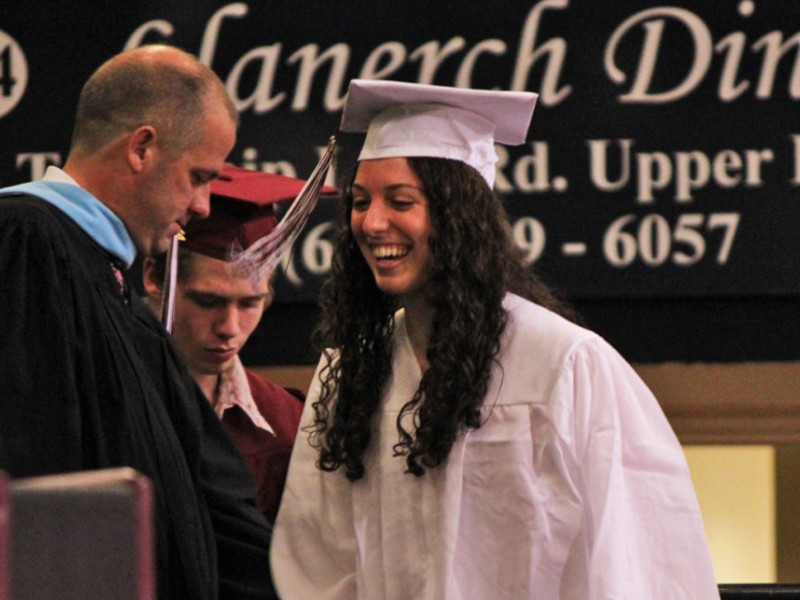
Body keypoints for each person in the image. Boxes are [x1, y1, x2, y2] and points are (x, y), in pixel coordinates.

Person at [270, 79, 720, 599]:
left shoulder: (564, 365)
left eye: (400, 200)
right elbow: (315, 562)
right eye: (360, 201)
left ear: (458, 216)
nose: (372, 223)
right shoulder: (348, 376)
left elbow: (632, 560)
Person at [0, 45, 277, 599]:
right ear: (142, 148)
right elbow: (37, 483)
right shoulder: (28, 244)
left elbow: (211, 497)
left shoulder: (110, 281)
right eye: (199, 175)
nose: (202, 205)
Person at [142, 164, 336, 526]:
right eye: (208, 301)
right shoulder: (113, 400)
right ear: (155, 278)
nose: (229, 329)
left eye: (250, 303)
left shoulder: (288, 424)